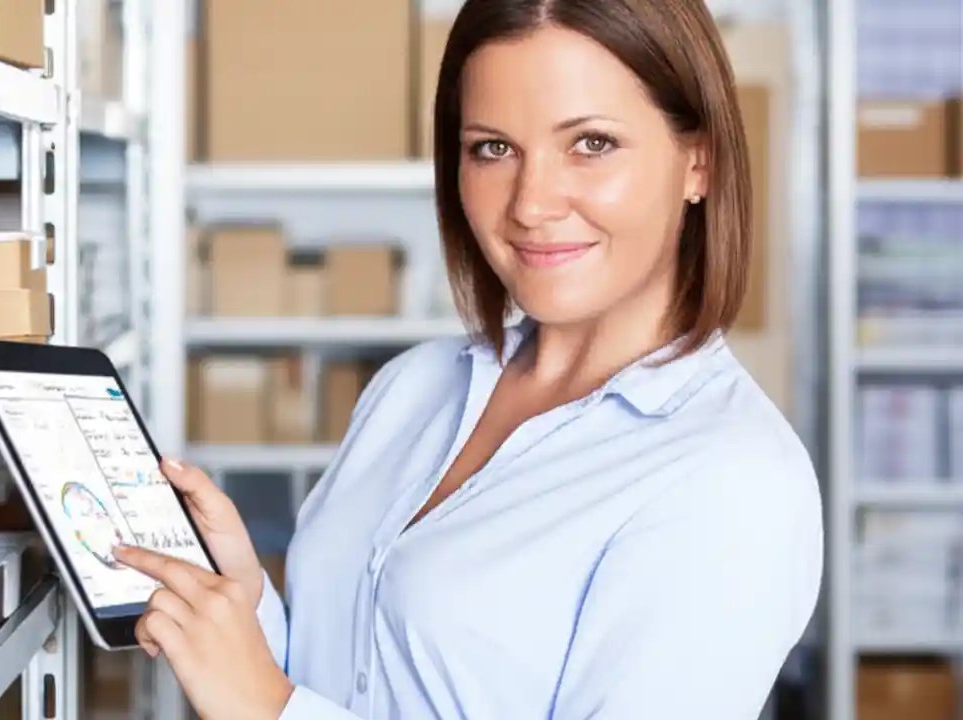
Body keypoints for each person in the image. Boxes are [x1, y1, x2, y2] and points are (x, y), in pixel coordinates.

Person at [112, 0, 824, 717]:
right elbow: (350, 679)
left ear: (697, 161)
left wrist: (265, 706)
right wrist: (245, 608)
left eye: (592, 144)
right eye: (493, 148)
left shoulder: (734, 479)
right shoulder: (414, 387)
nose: (531, 204)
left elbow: (279, 706)